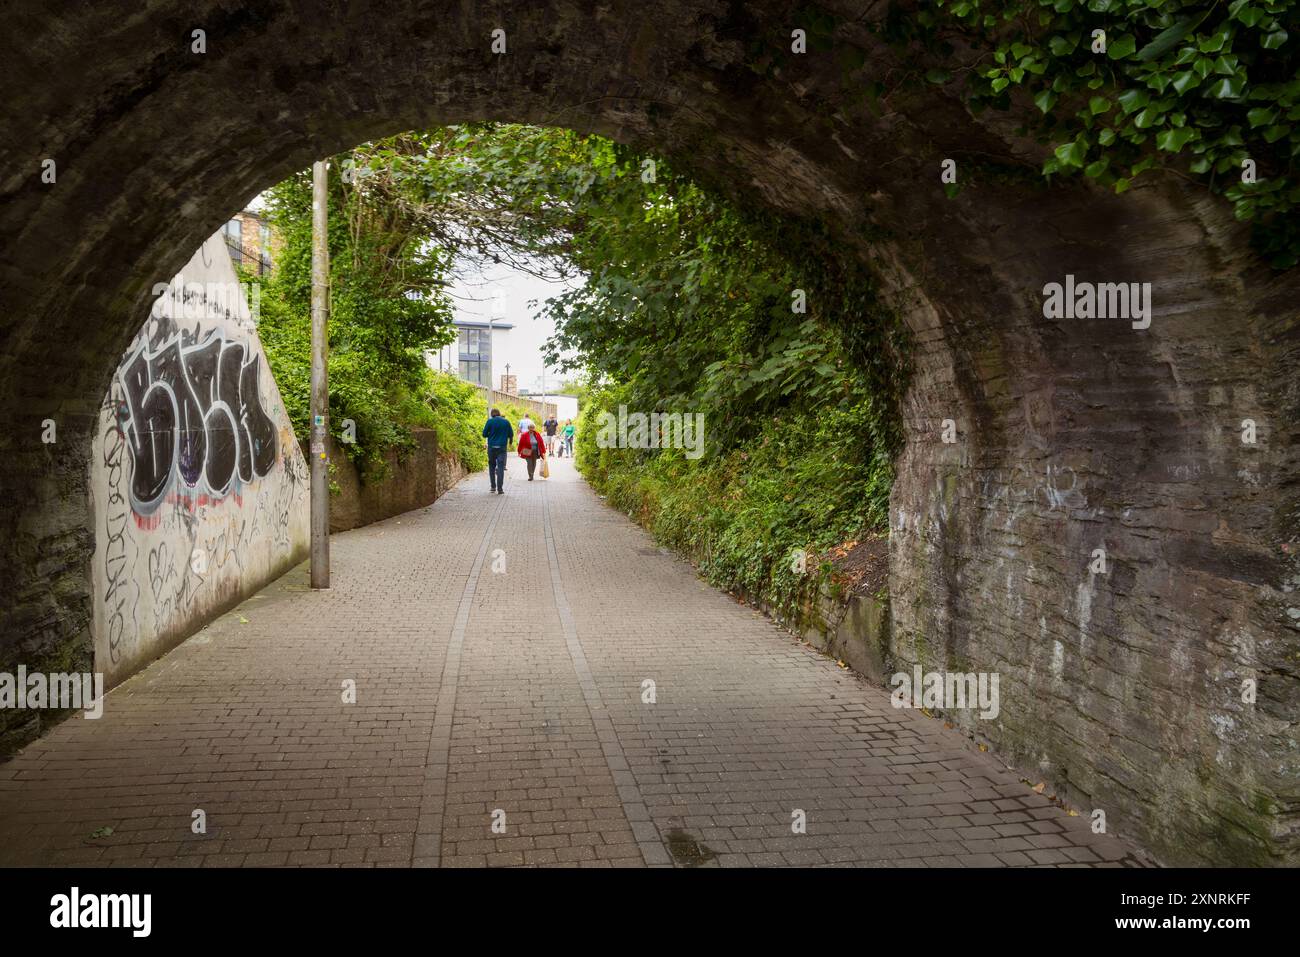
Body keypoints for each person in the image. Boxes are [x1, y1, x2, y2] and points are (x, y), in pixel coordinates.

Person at [481, 407, 513, 494]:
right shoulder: (506, 421)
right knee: (501, 467)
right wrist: (510, 442)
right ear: (499, 413)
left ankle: (493, 487)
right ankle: (500, 489)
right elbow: (511, 434)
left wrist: (490, 434)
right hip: (502, 447)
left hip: (491, 447)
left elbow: (484, 434)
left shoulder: (490, 421)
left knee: (491, 466)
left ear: (492, 414)